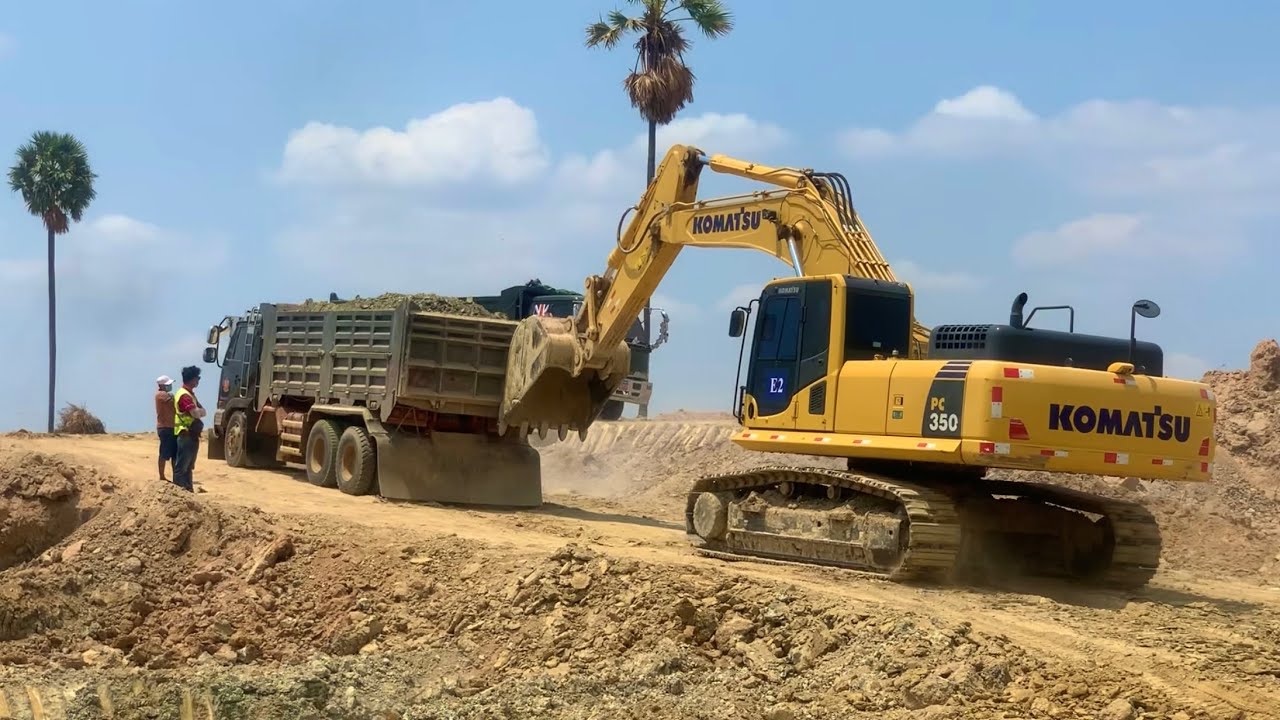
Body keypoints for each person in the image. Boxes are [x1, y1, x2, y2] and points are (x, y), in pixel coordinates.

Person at [172, 365, 206, 492]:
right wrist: (199, 411)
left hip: (191, 434)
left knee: (188, 467)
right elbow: (196, 413)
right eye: (198, 378)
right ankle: (179, 493)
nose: (198, 380)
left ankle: (187, 491)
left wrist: (199, 411)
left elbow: (202, 411)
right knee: (182, 467)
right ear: (192, 379)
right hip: (185, 433)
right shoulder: (184, 396)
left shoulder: (190, 394)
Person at [155, 375, 177, 481]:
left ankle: (175, 476)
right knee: (164, 452)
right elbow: (174, 402)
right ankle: (162, 476)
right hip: (165, 427)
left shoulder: (166, 394)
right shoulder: (161, 395)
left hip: (171, 427)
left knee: (174, 453)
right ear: (162, 385)